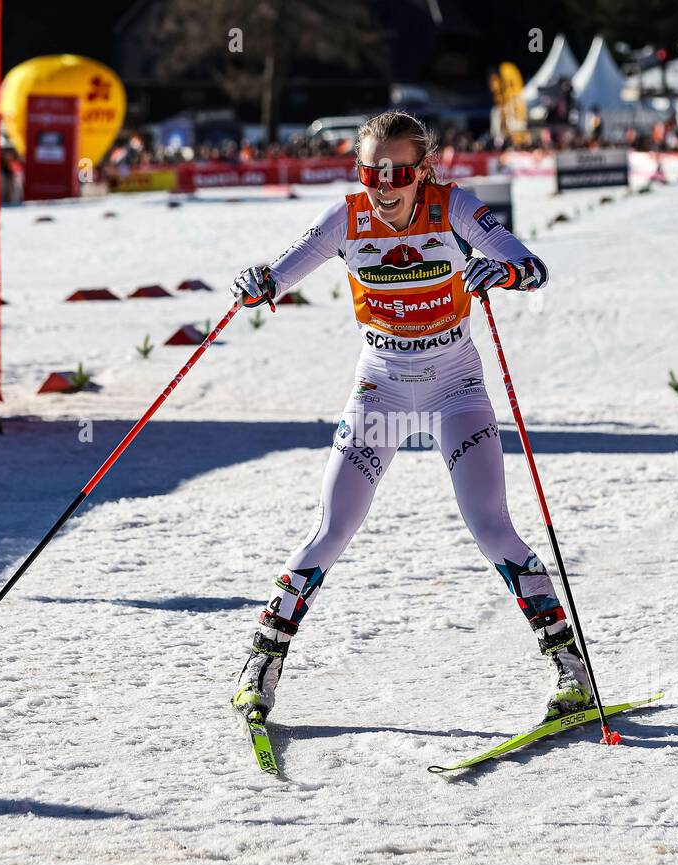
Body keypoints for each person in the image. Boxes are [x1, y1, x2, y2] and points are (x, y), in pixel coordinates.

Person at [228, 111, 592, 727]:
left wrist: (503, 270)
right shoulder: (345, 218)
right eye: (372, 171)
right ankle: (260, 667)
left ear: (422, 170)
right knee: (332, 527)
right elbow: (279, 276)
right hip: (382, 390)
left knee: (490, 526)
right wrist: (257, 283)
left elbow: (533, 267)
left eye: (398, 171)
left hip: (456, 388)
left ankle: (570, 670)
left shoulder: (454, 208)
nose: (384, 184)